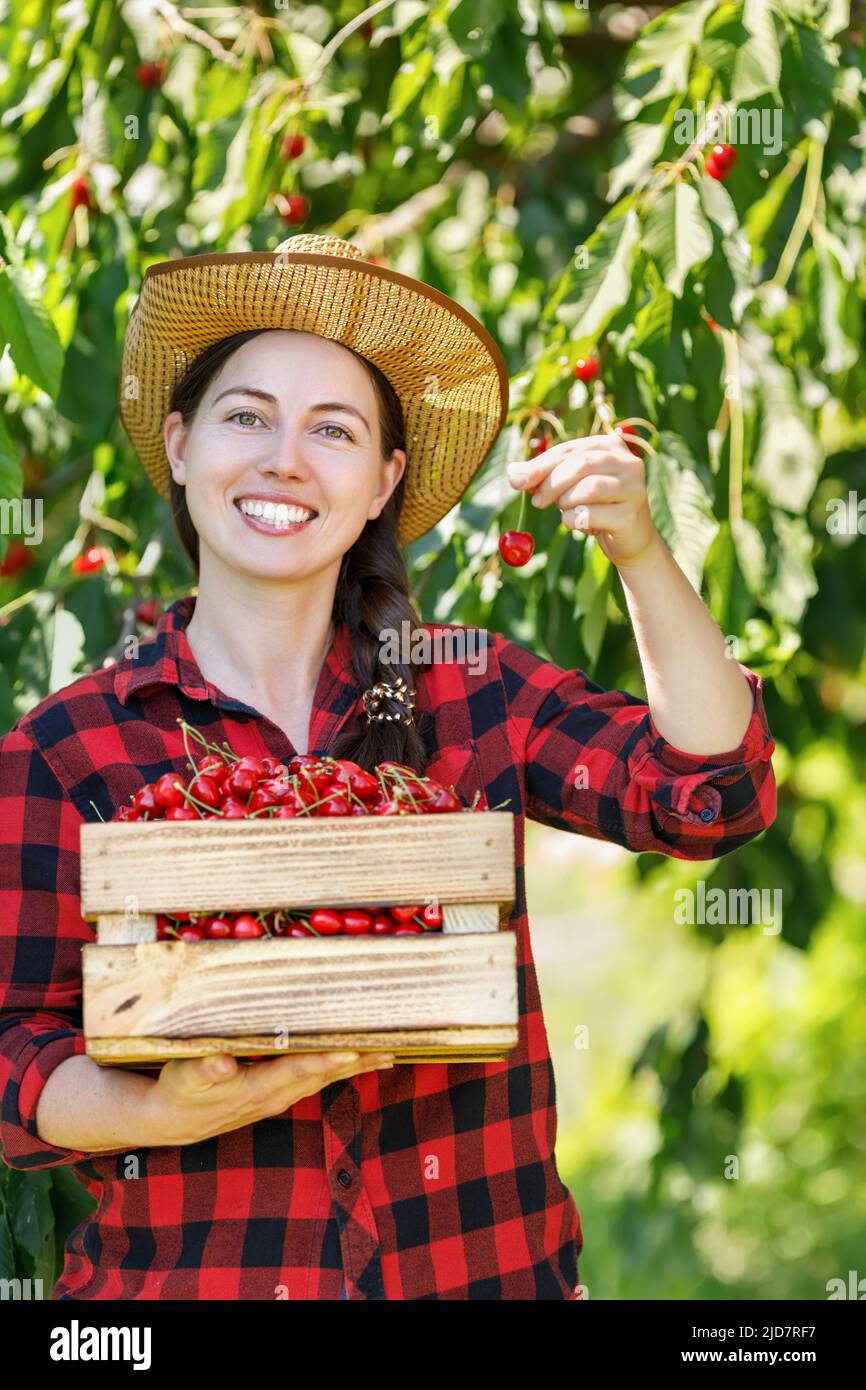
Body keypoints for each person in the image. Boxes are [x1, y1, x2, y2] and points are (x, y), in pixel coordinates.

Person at [0, 233, 776, 1300]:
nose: (284, 459)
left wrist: (639, 549)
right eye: (245, 416)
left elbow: (710, 796)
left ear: (381, 482)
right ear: (179, 446)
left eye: (334, 429)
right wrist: (151, 1111)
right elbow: (11, 1048)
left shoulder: (465, 691)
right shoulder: (66, 750)